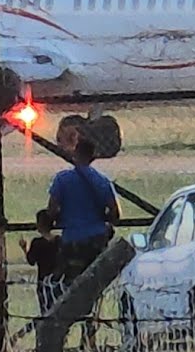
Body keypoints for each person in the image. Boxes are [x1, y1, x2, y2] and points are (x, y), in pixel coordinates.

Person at [46, 136, 119, 350]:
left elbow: (51, 209)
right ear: (93, 157)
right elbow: (115, 212)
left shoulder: (62, 179)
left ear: (75, 154)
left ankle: (60, 334)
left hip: (72, 242)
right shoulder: (102, 180)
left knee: (68, 290)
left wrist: (54, 220)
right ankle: (90, 338)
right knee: (93, 290)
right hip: (95, 241)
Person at [19, 209, 61, 317]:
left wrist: (24, 248)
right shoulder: (59, 241)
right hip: (57, 281)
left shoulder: (37, 243)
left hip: (43, 281)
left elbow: (31, 261)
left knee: (45, 310)